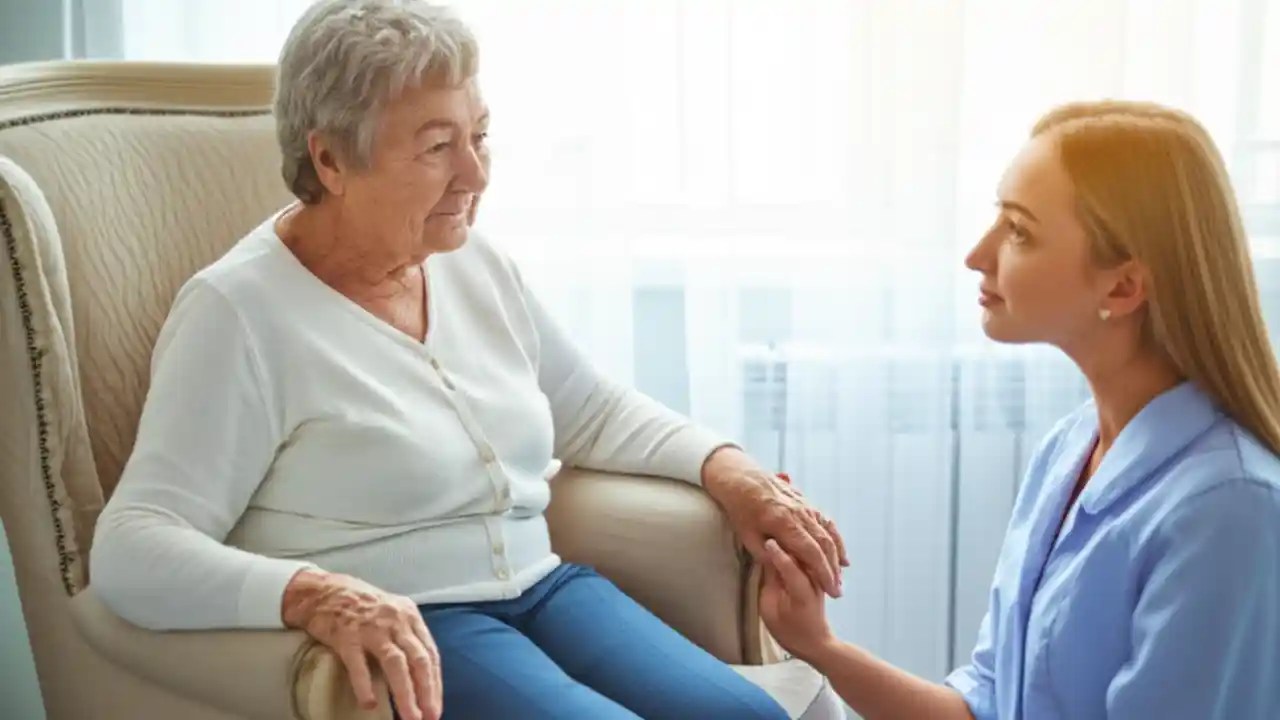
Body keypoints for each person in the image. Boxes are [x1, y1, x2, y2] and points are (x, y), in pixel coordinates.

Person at [89, 2, 849, 719]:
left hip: (546, 587)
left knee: (746, 713)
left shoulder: (470, 261)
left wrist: (730, 470)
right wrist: (315, 595)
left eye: (479, 136)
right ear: (329, 159)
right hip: (421, 619)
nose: (476, 175)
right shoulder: (239, 313)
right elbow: (134, 544)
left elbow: (588, 409)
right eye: (437, 148)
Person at [758, 100, 1280, 719]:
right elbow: (984, 706)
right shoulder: (1070, 449)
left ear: (1122, 287)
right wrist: (817, 645)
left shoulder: (1229, 511)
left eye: (1020, 232)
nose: (979, 255)